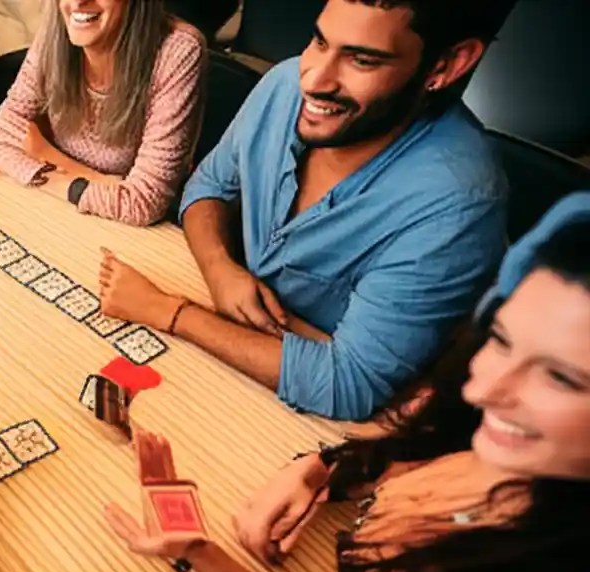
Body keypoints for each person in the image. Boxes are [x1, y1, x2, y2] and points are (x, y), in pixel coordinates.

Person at [106, 194, 590, 572]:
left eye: (561, 377)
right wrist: (323, 468)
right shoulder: (518, 456)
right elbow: (417, 450)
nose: (484, 389)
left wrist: (204, 555)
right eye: (499, 339)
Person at [99, 0, 513, 420]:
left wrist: (171, 313)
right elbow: (208, 188)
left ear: (446, 65)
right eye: (320, 41)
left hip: (338, 416)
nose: (314, 78)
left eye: (362, 60)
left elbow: (348, 386)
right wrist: (219, 266)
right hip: (245, 360)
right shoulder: (282, 85)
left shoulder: (457, 204)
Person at [0, 1, 206, 227]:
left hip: (138, 233)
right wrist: (102, 182)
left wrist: (47, 156)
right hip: (64, 213)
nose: (78, 2)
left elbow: (143, 203)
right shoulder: (61, 25)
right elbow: (3, 134)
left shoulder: (178, 51)